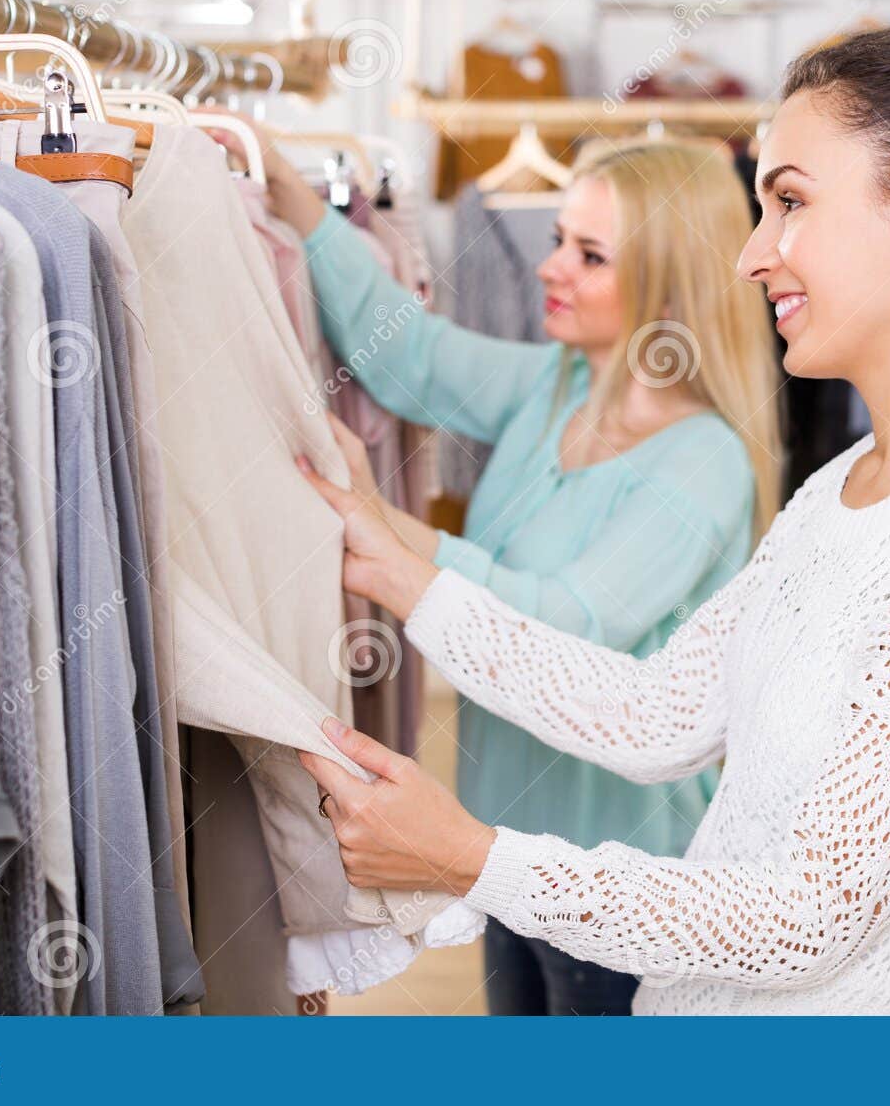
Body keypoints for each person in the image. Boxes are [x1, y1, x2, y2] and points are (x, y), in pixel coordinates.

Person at [292, 18, 890, 1015]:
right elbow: (656, 714)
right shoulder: (849, 484)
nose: (748, 256)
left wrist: (472, 857)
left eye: (787, 202)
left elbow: (803, 918)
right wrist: (403, 577)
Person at [264, 137, 781, 1014]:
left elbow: (566, 621)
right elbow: (409, 357)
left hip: (621, 877)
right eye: (558, 241)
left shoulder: (704, 462)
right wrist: (286, 193)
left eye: (588, 255)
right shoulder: (560, 383)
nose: (550, 269)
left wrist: (393, 536)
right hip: (504, 847)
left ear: (667, 279)